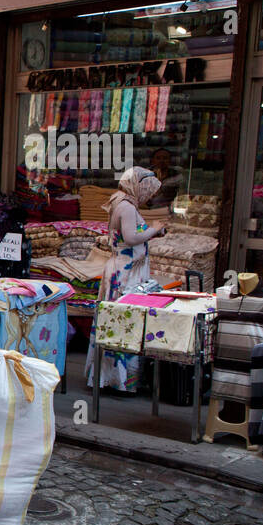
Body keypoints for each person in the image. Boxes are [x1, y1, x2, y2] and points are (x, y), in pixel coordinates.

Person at [85, 166, 168, 393]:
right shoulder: (126, 207)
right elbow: (131, 237)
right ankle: (118, 380)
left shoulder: (119, 202)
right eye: (146, 191)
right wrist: (154, 229)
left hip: (122, 269)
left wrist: (153, 232)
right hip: (125, 273)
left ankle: (109, 378)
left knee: (115, 323)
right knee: (123, 323)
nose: (148, 197)